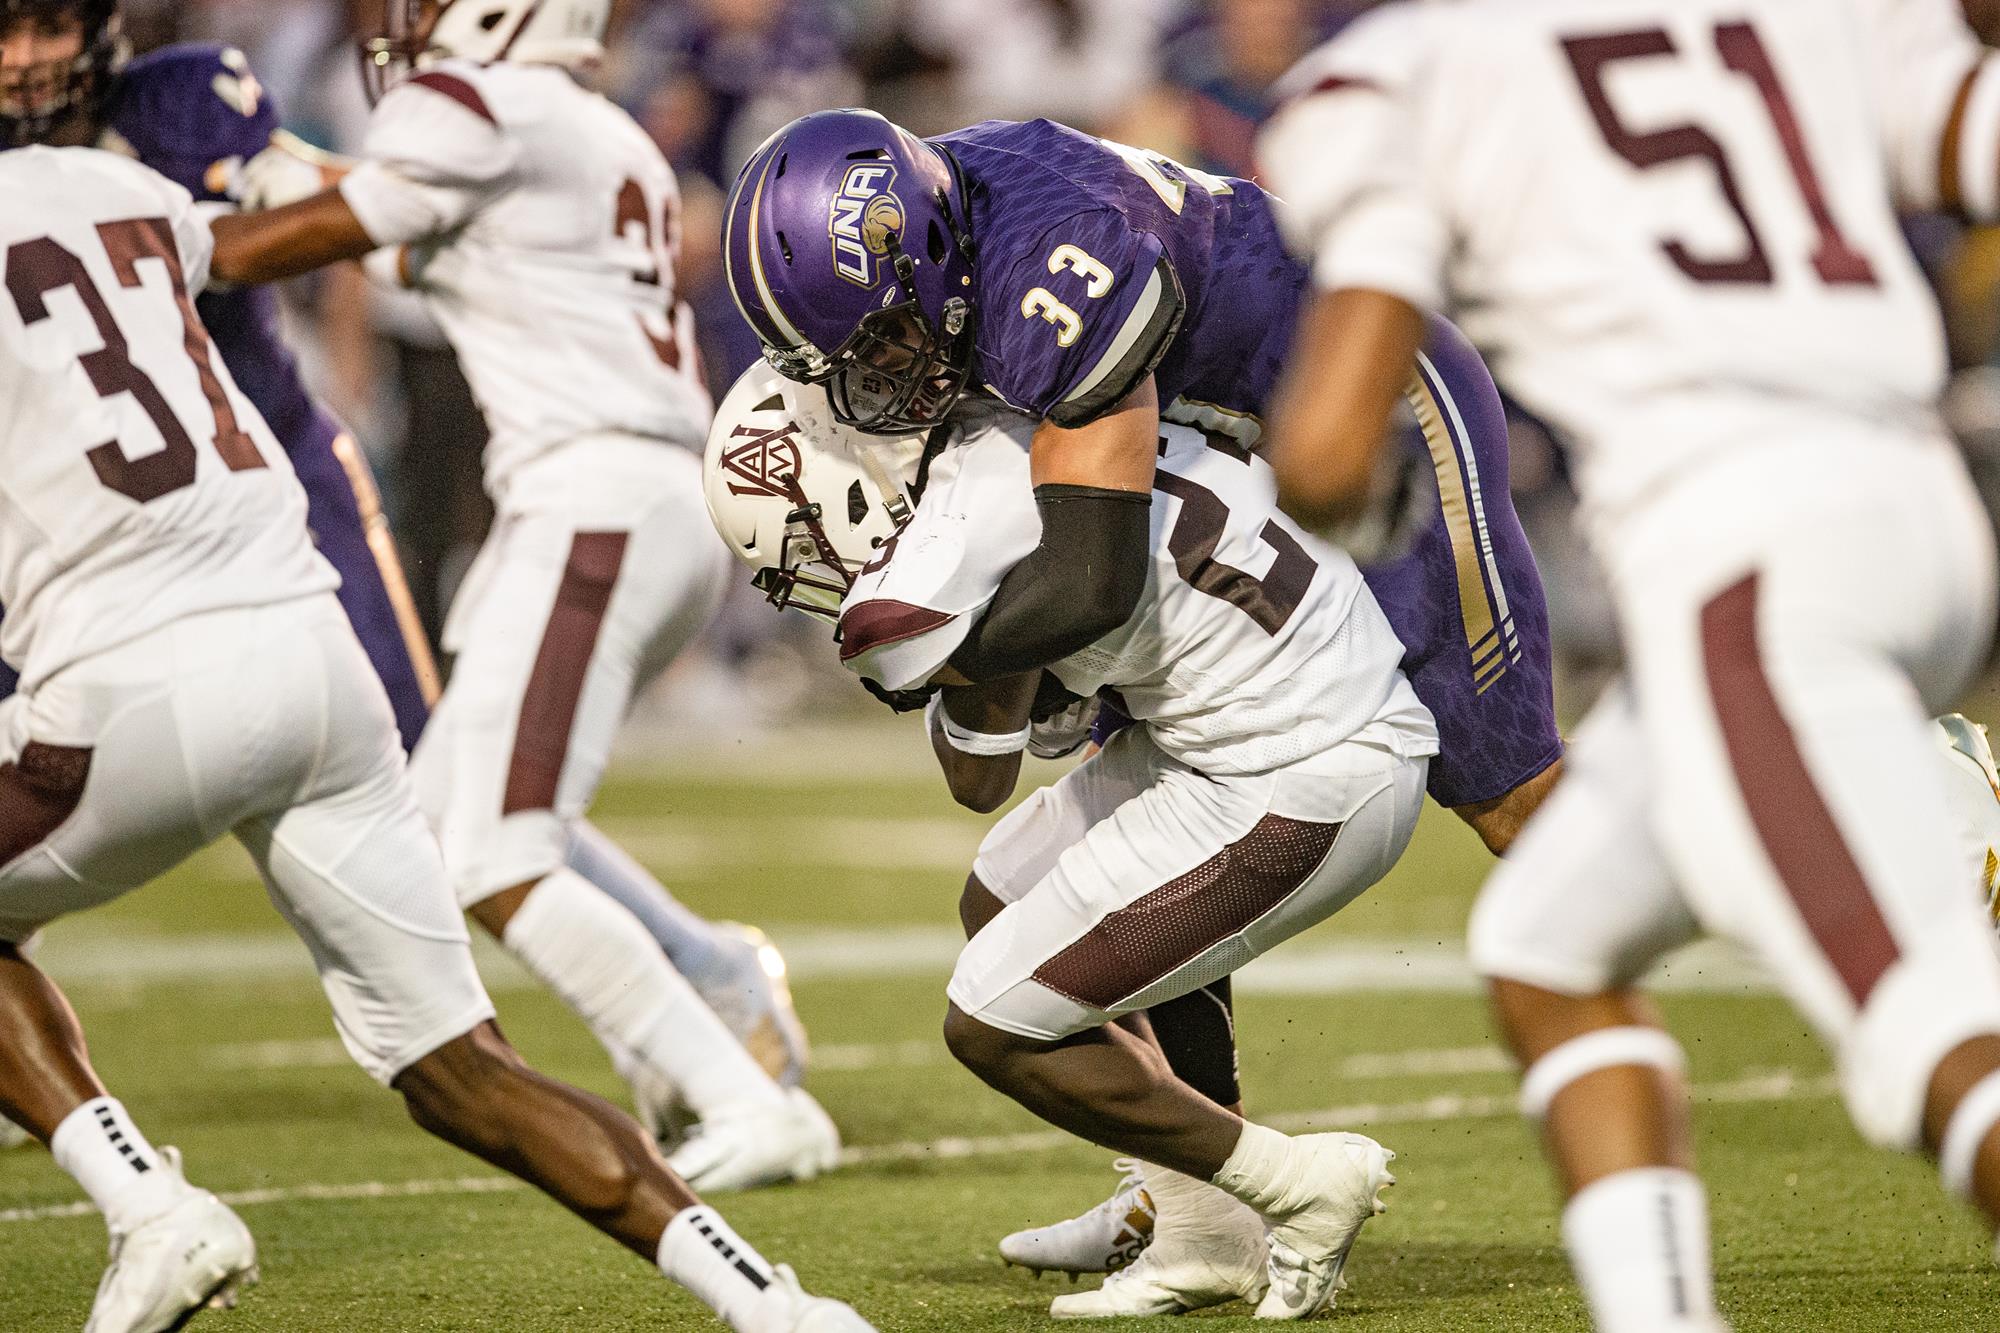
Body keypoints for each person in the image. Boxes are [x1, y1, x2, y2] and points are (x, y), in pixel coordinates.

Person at [0, 41, 872, 1333]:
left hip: (136, 670)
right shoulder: (127, 191)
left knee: (501, 840)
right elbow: (223, 255)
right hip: (311, 650)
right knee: (465, 1071)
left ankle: (150, 1207)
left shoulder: (418, 114)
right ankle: (778, 1306)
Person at [723, 102, 1570, 1294]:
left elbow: (1082, 578)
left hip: (1359, 400)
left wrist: (934, 647)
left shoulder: (1051, 264)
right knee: (1119, 844)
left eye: (883, 339)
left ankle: (1846, 851)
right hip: (1234, 470)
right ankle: (1194, 1213)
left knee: (1512, 794)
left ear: (922, 261)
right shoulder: (951, 238)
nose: (878, 377)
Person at [1256, 1, 2000, 1328]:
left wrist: (1359, 508)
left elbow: (1320, 449)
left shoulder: (1400, 75)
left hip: (1749, 559)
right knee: (1548, 943)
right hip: (1923, 506)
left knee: (1933, 1025)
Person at [199, 0, 839, 1191]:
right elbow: (390, 231)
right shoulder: (588, 128)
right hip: (638, 495)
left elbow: (314, 235)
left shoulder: (478, 108)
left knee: (495, 850)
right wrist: (276, 162)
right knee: (455, 816)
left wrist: (146, 237)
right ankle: (711, 975)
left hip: (590, 499)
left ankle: (738, 1094)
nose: (410, 18)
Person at [708, 363, 1436, 1320]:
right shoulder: (1005, 423)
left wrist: (955, 650)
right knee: (1003, 895)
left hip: (1307, 769)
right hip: (1269, 721)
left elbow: (979, 776)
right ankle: (1201, 1226)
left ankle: (1294, 1181)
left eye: (802, 539)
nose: (805, 567)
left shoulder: (962, 521)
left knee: (993, 1023)